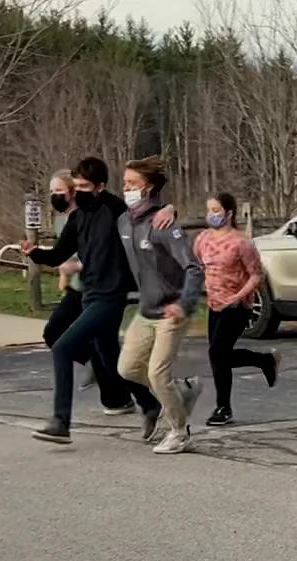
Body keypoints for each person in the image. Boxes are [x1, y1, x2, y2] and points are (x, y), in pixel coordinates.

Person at [25, 157, 160, 445]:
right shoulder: (78, 218)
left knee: (62, 347)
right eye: (76, 186)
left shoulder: (116, 210)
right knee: (110, 362)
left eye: (85, 186)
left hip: (110, 297)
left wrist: (169, 210)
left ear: (99, 186)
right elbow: (59, 255)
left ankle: (61, 421)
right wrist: (34, 252)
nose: (79, 191)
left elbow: (149, 216)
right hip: (89, 295)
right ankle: (150, 404)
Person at [115, 156, 205, 455]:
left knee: (156, 373)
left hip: (172, 310)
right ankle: (181, 391)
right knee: (127, 369)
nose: (125, 187)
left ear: (148, 187)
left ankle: (180, 431)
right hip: (146, 309)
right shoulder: (124, 221)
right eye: (125, 182)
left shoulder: (164, 224)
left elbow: (194, 267)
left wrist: (185, 302)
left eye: (132, 183)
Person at [40, 170, 134, 417]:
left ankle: (120, 398)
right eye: (52, 192)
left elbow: (106, 253)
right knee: (54, 332)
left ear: (74, 191)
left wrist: (79, 266)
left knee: (103, 347)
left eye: (59, 191)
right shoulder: (63, 220)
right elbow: (63, 253)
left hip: (102, 290)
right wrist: (63, 274)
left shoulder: (99, 213)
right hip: (78, 290)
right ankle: (99, 368)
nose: (55, 196)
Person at [195, 192, 279, 427]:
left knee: (218, 353)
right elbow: (198, 266)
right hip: (214, 304)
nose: (211, 215)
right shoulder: (202, 239)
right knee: (218, 355)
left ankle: (223, 408)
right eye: (209, 210)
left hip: (237, 305)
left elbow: (257, 275)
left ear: (229, 214)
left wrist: (238, 296)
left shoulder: (241, 242)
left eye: (216, 211)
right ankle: (265, 360)